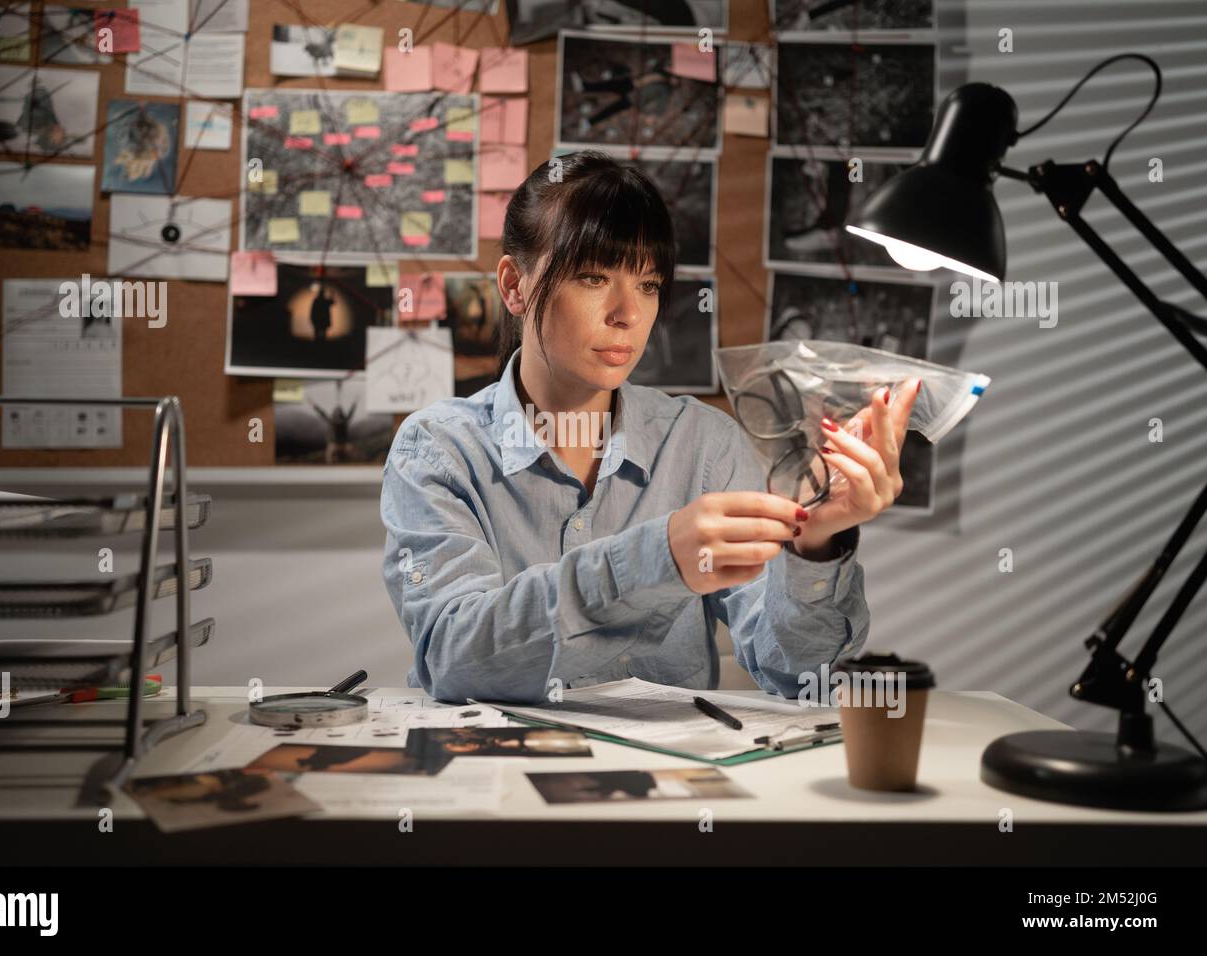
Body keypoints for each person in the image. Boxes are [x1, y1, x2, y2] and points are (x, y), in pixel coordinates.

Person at [380, 150, 917, 705]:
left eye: (649, 284)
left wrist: (818, 544)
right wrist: (655, 560)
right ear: (515, 285)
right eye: (593, 277)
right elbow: (454, 657)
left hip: (670, 785)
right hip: (492, 777)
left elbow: (797, 674)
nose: (627, 314)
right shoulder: (439, 451)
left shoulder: (702, 445)